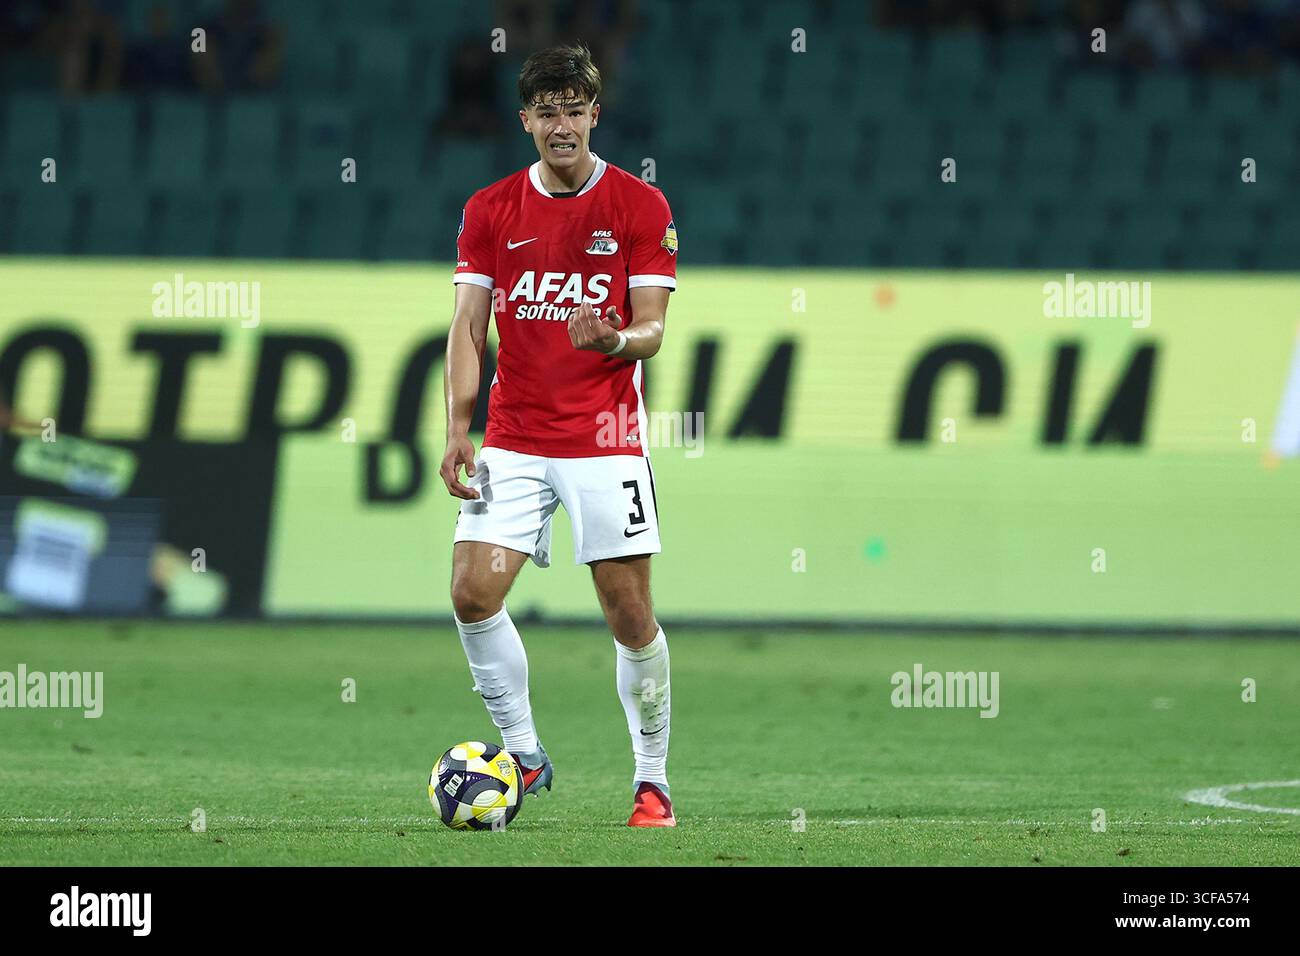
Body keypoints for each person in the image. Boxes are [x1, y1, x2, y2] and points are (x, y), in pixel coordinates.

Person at [439, 42, 678, 827]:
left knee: (627, 613)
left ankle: (651, 781)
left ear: (595, 115)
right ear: (526, 121)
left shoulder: (641, 207)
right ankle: (526, 755)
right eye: (547, 111)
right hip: (513, 438)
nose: (562, 123)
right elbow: (469, 329)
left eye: (574, 108)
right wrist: (456, 429)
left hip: (606, 438)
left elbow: (652, 331)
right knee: (473, 594)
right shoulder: (490, 209)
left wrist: (613, 341)